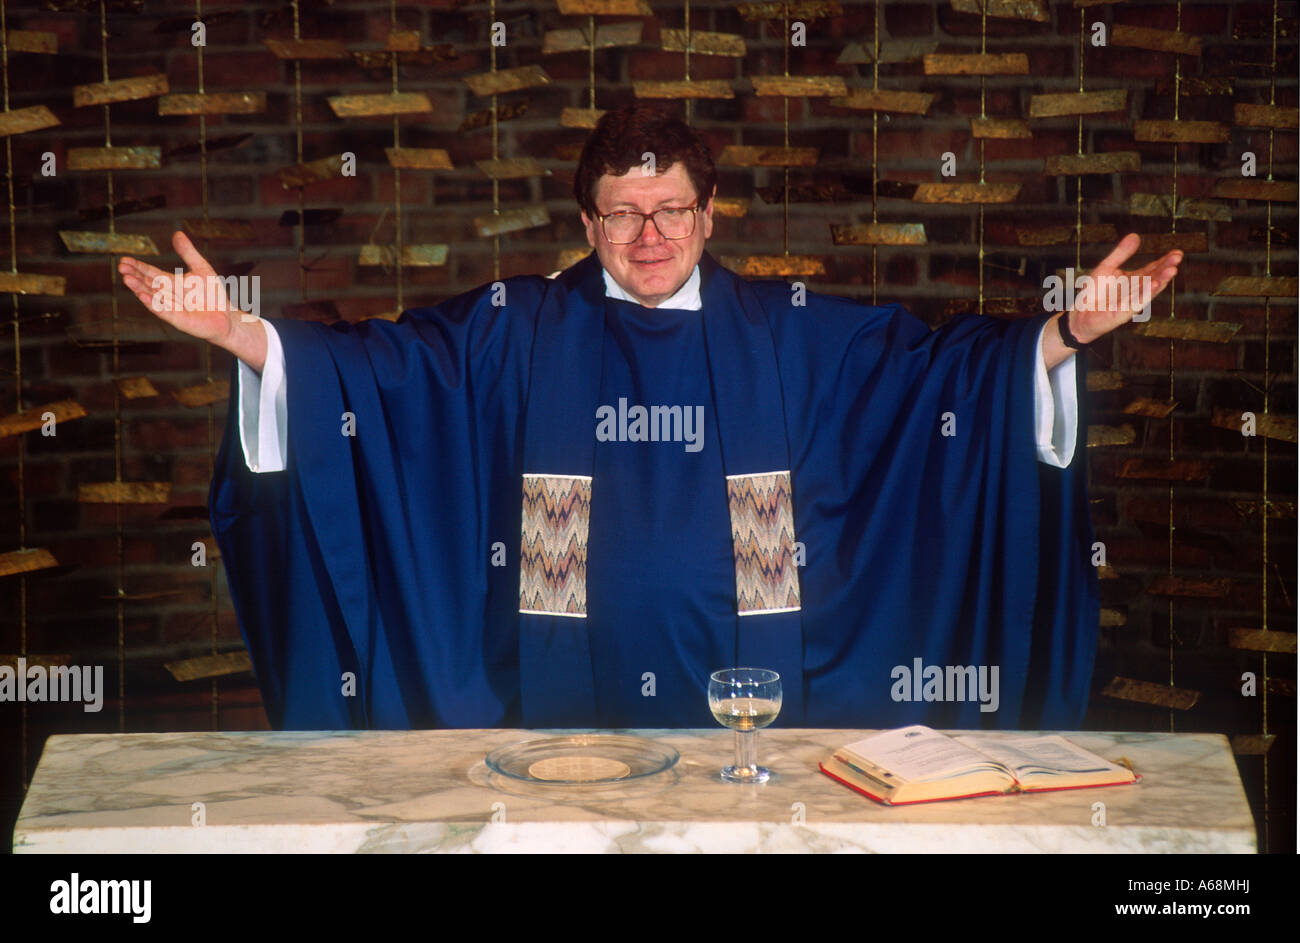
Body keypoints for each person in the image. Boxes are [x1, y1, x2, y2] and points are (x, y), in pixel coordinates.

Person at [119, 103, 1183, 731]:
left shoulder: (786, 330)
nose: (650, 233)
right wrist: (244, 339)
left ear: (708, 214)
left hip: (758, 710)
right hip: (553, 711)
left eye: (671, 208)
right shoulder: (518, 328)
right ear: (587, 221)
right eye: (623, 214)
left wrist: (1061, 339)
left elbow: (938, 380)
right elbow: (381, 373)